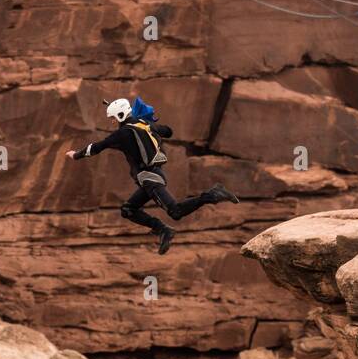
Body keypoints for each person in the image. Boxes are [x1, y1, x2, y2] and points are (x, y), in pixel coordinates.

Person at [67, 96, 239, 254]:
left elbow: (96, 147)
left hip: (149, 178)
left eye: (113, 118)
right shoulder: (144, 124)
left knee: (176, 212)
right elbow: (168, 131)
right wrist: (149, 124)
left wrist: (76, 155)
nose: (112, 122)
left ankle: (212, 195)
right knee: (128, 210)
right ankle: (163, 230)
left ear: (120, 115)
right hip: (153, 175)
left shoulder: (122, 134)